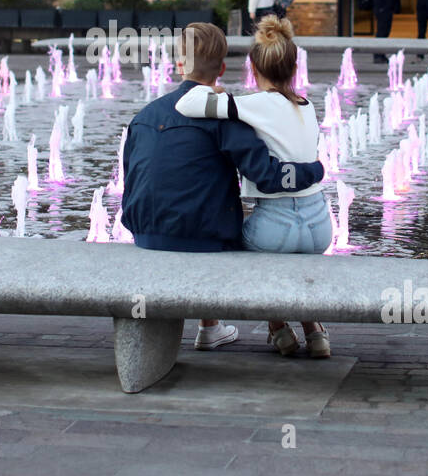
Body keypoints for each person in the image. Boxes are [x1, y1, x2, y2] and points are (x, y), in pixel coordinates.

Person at [120, 22, 325, 352]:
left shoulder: (143, 115)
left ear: (177, 63)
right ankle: (294, 324)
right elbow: (267, 175)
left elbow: (131, 178)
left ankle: (212, 327)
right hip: (205, 242)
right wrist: (315, 171)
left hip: (146, 236)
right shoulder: (227, 118)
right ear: (224, 68)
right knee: (252, 232)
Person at [174, 16, 332, 358]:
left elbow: (185, 104)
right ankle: (314, 330)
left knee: (231, 247)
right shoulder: (309, 106)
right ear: (292, 67)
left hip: (275, 225)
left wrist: (215, 94)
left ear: (253, 67)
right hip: (320, 225)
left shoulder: (251, 104)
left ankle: (277, 327)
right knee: (295, 259)